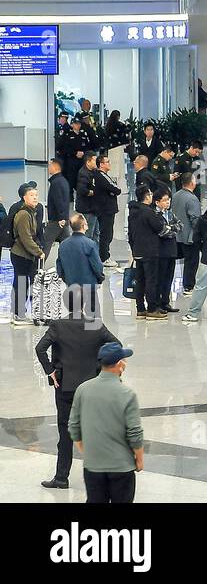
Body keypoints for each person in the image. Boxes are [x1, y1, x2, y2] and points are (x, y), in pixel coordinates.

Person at [35, 300, 119, 490]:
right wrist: (99, 369)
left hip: (65, 386)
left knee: (65, 433)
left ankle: (61, 477)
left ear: (65, 303)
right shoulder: (95, 324)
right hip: (92, 387)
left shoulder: (58, 325)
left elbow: (40, 349)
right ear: (83, 304)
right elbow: (117, 346)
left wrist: (51, 370)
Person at [68, 342, 144, 504]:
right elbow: (135, 433)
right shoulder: (127, 394)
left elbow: (74, 427)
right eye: (124, 360)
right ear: (119, 365)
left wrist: (86, 452)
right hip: (121, 466)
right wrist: (139, 459)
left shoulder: (83, 389)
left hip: (93, 465)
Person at [126, 184, 166, 320]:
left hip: (137, 250)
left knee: (140, 280)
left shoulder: (132, 212)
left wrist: (133, 248)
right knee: (151, 280)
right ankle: (152, 309)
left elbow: (130, 234)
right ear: (147, 196)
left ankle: (140, 309)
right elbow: (159, 227)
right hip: (150, 250)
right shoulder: (148, 212)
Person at [9, 184, 45, 326]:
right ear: (24, 198)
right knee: (21, 284)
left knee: (22, 283)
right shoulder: (24, 214)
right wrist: (38, 251)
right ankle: (18, 313)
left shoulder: (31, 212)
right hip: (21, 255)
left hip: (25, 254)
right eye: (31, 195)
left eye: (36, 195)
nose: (35, 197)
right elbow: (26, 238)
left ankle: (19, 312)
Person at [174, 173, 201, 295]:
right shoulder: (192, 199)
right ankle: (188, 286)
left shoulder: (175, 196)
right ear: (192, 183)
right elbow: (195, 219)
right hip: (189, 236)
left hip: (176, 235)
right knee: (191, 262)